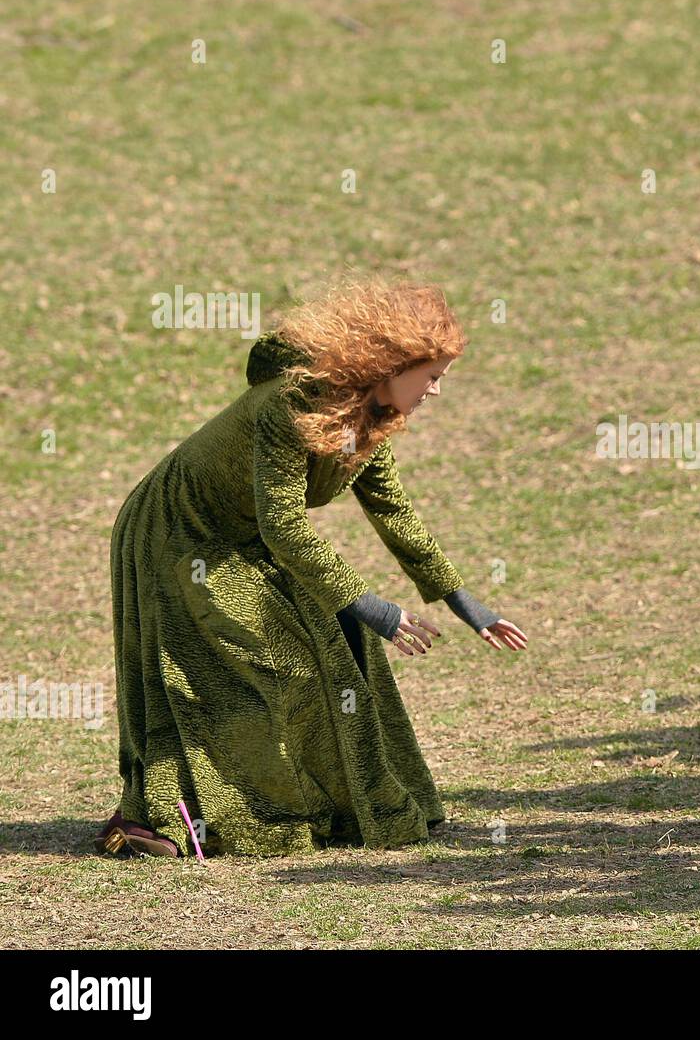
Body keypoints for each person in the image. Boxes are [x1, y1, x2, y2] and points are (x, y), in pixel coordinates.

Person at [96, 283, 527, 859]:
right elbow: (285, 527)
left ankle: (340, 808)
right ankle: (165, 819)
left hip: (246, 536)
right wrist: (374, 607)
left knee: (341, 649)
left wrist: (463, 602)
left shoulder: (373, 419)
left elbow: (394, 512)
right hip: (175, 532)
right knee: (260, 664)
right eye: (431, 376)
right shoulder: (290, 406)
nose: (437, 390)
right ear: (390, 367)